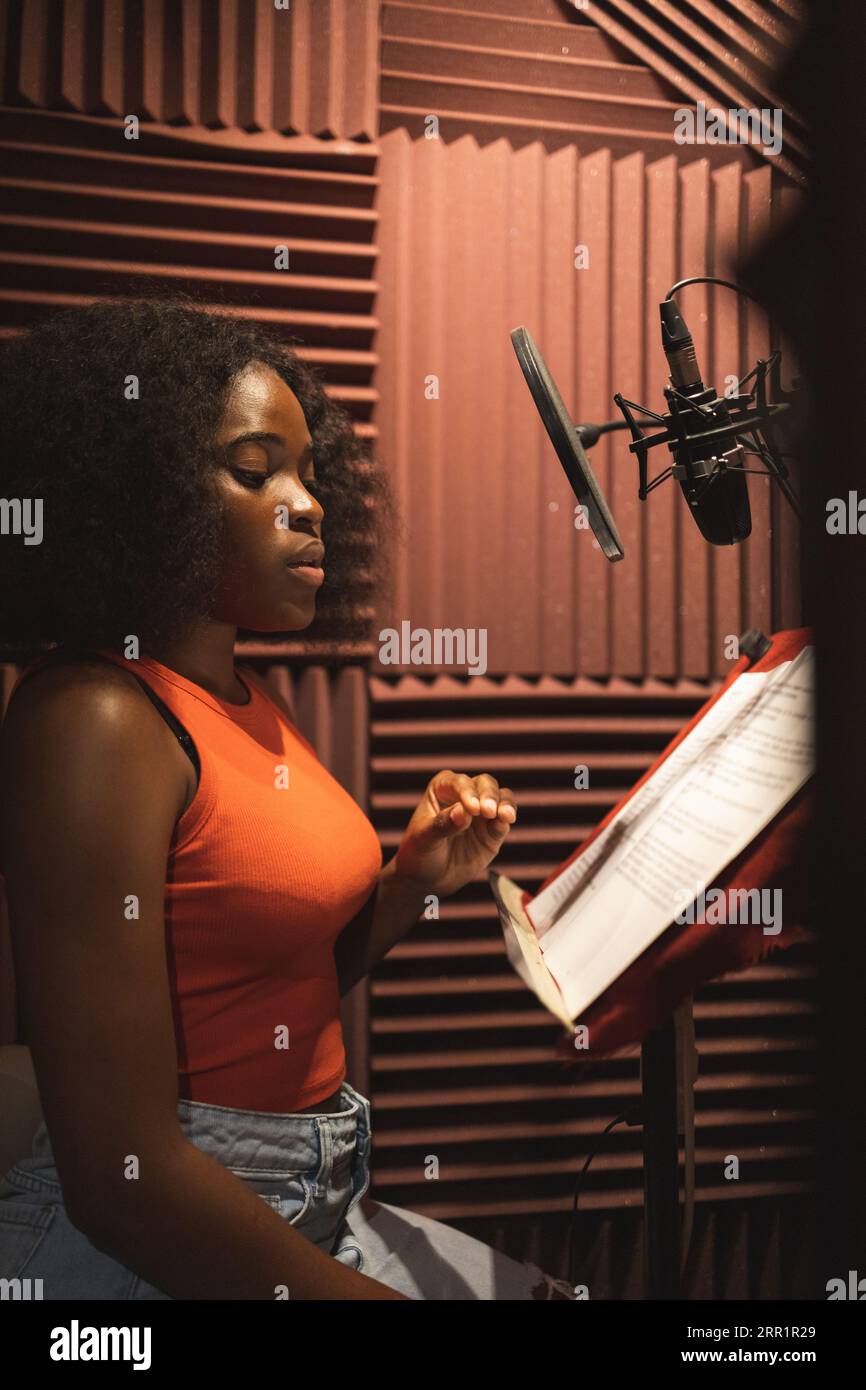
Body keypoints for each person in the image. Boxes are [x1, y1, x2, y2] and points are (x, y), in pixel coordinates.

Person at [0, 295, 575, 1300]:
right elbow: (121, 1181)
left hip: (315, 1193)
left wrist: (409, 880)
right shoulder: (95, 717)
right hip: (161, 1242)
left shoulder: (246, 699)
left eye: (310, 474)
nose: (310, 503)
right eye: (255, 471)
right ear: (143, 496)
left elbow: (281, 981)